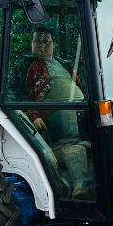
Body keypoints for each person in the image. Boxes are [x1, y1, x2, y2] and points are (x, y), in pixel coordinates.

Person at [26, 26, 90, 200]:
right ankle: (78, 188)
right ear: (31, 44)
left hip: (76, 114)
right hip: (56, 119)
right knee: (74, 149)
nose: (41, 44)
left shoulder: (63, 64)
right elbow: (29, 95)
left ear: (53, 45)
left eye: (46, 41)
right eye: (37, 41)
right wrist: (34, 115)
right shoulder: (33, 67)